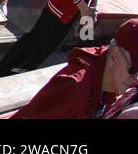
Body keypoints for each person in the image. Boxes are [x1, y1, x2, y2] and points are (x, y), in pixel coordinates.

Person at [9, 17, 138, 119]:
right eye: (133, 69)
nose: (136, 79)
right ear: (115, 54)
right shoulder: (73, 90)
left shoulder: (111, 78)